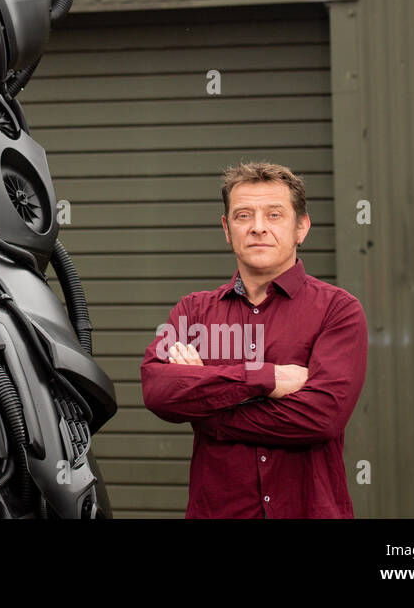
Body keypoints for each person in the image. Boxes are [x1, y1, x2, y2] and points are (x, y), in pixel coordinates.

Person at [140, 161, 367, 517]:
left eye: (274, 215)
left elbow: (323, 416)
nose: (258, 228)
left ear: (301, 228)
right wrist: (266, 378)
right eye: (243, 215)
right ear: (227, 230)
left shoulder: (338, 310)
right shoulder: (193, 312)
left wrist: (208, 413)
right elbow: (158, 391)